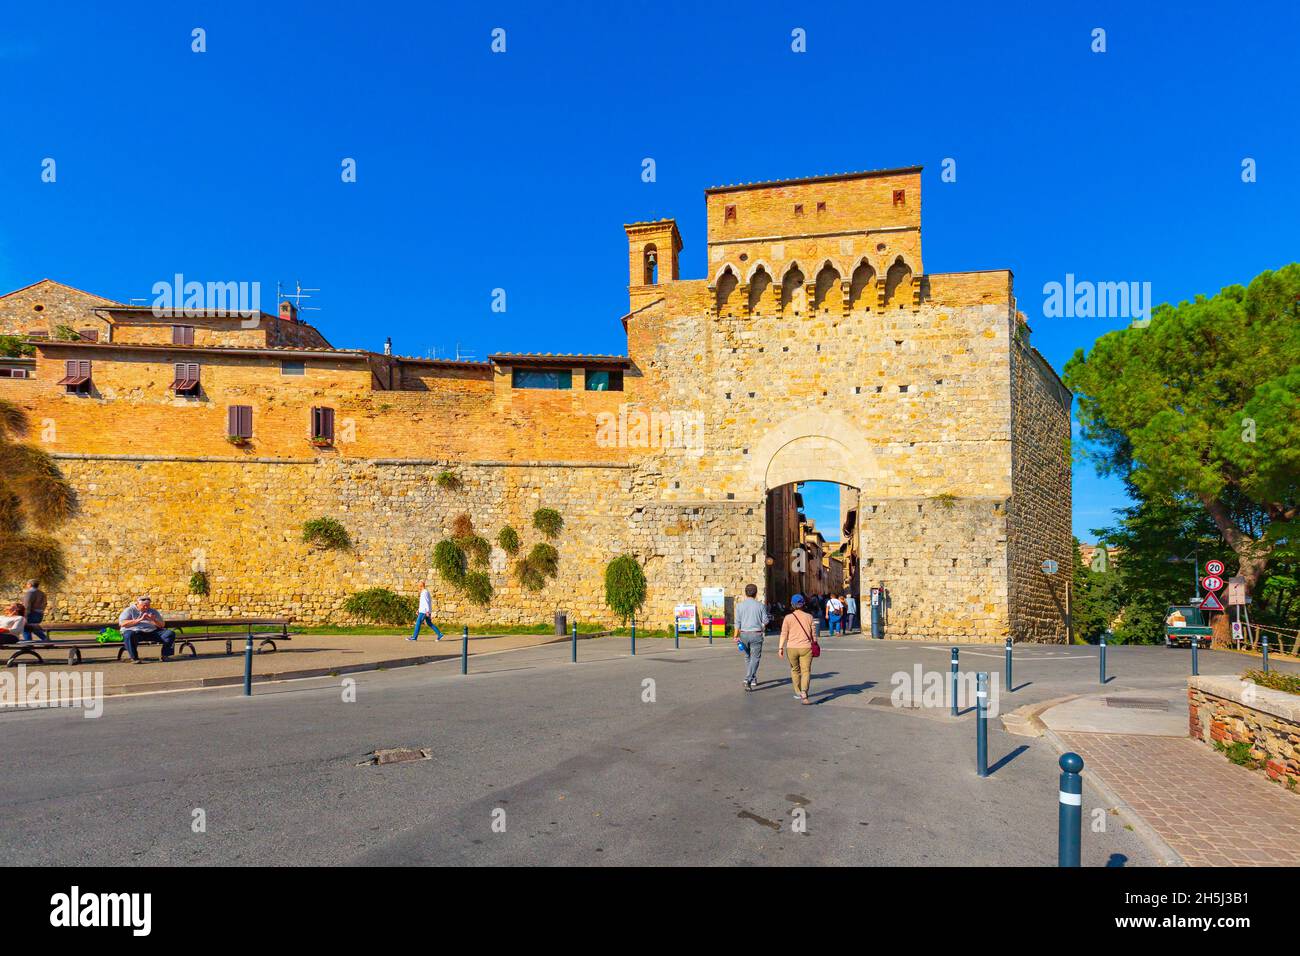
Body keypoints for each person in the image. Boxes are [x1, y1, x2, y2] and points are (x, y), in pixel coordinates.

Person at [778, 593, 817, 705]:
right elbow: (813, 634)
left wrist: (780, 647)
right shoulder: (809, 617)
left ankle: (798, 691)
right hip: (806, 647)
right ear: (803, 604)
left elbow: (784, 633)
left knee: (795, 670)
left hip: (791, 648)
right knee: (806, 671)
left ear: (792, 604)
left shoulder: (788, 618)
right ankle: (804, 692)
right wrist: (815, 644)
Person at [118, 596, 176, 663]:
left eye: (148, 605)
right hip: (135, 631)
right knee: (128, 634)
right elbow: (122, 624)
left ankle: (165, 656)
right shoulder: (129, 610)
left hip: (151, 631)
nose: (146, 607)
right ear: (138, 604)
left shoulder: (153, 611)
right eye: (144, 606)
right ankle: (134, 658)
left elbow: (162, 625)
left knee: (169, 633)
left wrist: (153, 619)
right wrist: (140, 619)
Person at [735, 583, 770, 691]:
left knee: (747, 657)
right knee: (755, 658)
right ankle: (748, 678)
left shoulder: (739, 606)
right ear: (756, 593)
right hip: (756, 634)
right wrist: (763, 625)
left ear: (746, 593)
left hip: (744, 634)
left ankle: (753, 677)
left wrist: (735, 636)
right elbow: (765, 621)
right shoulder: (760, 606)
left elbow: (737, 623)